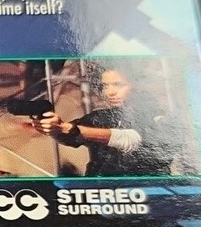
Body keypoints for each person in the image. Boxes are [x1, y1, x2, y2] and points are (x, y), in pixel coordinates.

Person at [32, 64, 185, 177]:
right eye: (105, 86)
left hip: (146, 192)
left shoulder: (159, 117)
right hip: (100, 191)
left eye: (118, 85)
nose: (110, 92)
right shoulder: (101, 116)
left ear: (137, 85)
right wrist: (53, 128)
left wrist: (69, 129)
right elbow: (69, 136)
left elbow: (131, 140)